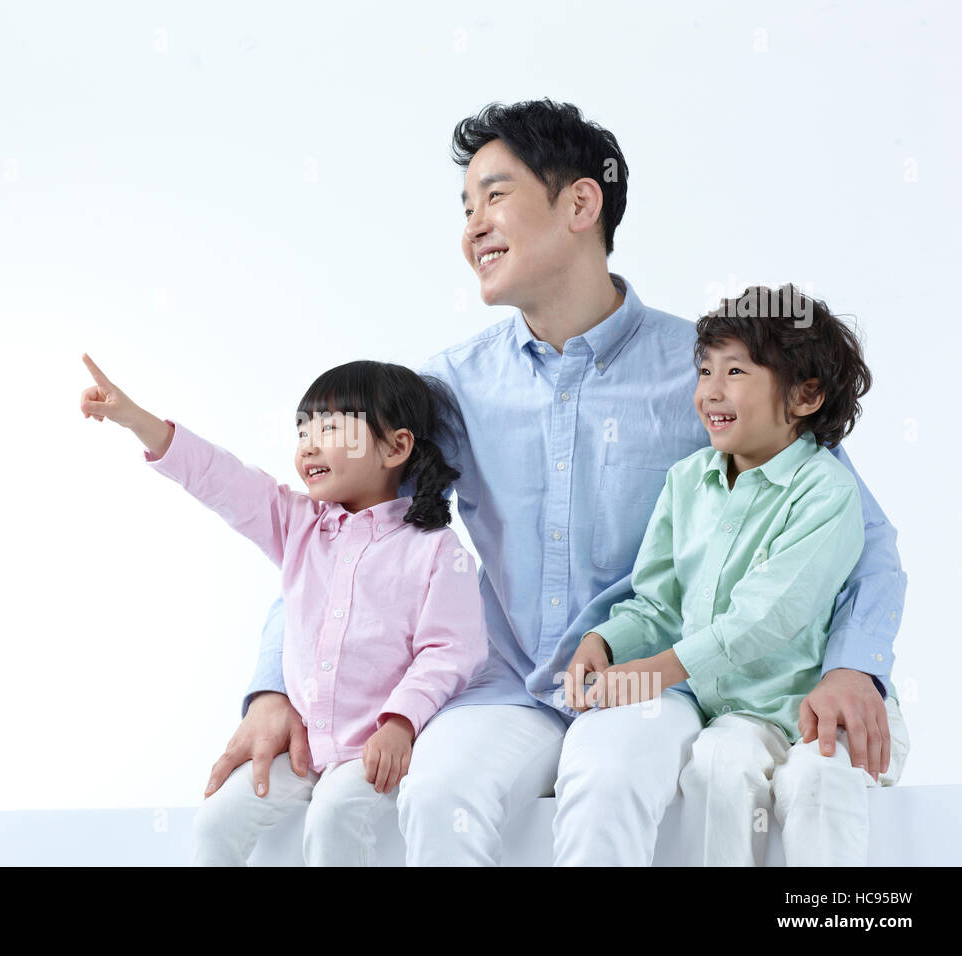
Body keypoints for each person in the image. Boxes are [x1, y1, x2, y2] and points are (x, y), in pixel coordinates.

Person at [206, 98, 910, 867]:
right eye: (466, 205)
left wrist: (853, 666)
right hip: (504, 685)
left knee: (606, 789)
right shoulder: (450, 388)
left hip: (651, 685)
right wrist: (273, 686)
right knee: (435, 796)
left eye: (496, 195)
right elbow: (342, 537)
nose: (473, 224)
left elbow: (860, 535)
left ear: (582, 201)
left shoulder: (710, 375)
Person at [78, 354, 488, 865]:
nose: (308, 444)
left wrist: (400, 722)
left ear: (396, 446)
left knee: (335, 818)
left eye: (332, 427)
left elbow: (452, 650)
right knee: (215, 822)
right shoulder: (298, 525)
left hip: (377, 751)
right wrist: (135, 418)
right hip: (304, 751)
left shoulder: (436, 550)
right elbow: (219, 478)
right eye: (303, 430)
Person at [562, 286, 909, 866]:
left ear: (805, 394)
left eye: (736, 371)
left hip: (819, 710)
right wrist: (603, 641)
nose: (710, 391)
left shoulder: (826, 491)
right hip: (740, 714)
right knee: (716, 771)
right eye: (704, 370)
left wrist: (654, 671)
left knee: (818, 782)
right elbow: (659, 604)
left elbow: (766, 616)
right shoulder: (686, 481)